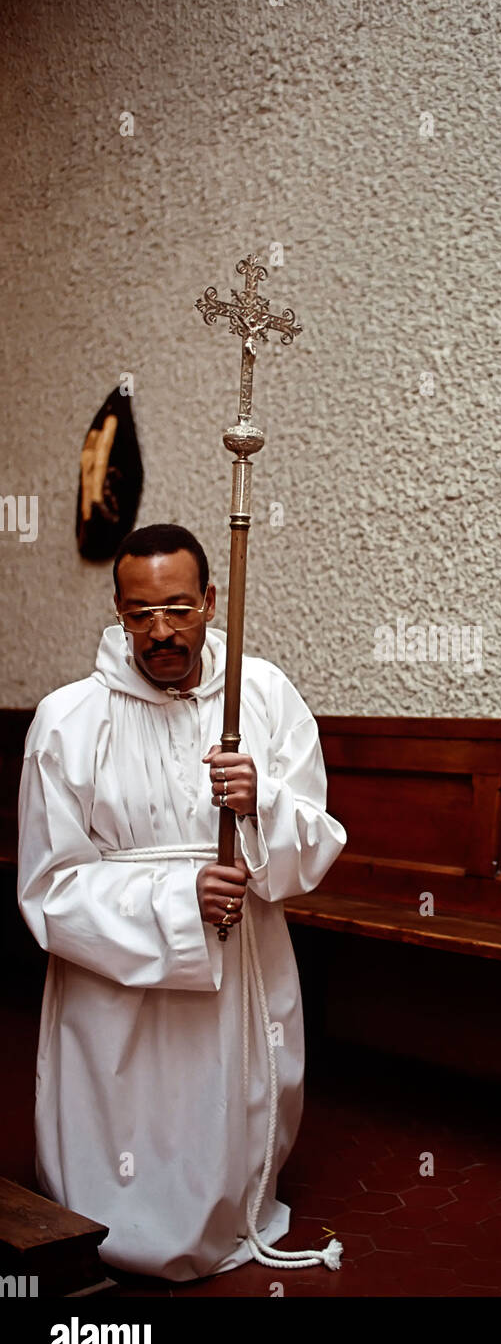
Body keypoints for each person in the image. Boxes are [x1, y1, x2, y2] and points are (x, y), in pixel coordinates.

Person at [17, 523, 346, 1281]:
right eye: (139, 614)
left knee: (221, 1115)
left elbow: (318, 841)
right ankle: (108, 1218)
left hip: (241, 961)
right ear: (117, 610)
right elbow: (47, 888)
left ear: (209, 598)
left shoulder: (262, 693)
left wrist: (260, 804)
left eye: (177, 608)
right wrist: (175, 896)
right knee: (124, 1120)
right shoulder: (68, 720)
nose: (160, 631)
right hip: (117, 979)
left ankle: (228, 1208)